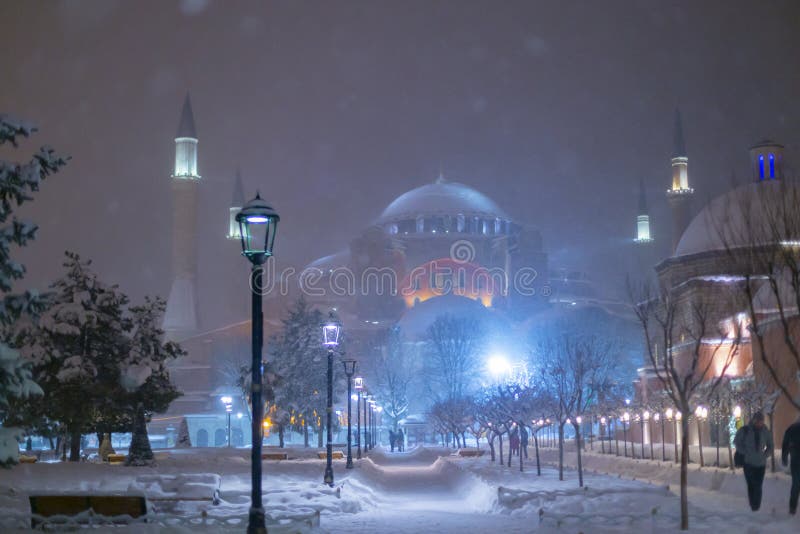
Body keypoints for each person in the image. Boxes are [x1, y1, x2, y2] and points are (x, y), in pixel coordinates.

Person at [734, 412, 774, 511]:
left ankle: (756, 506)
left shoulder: (765, 431)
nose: (760, 423)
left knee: (758, 484)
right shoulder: (745, 430)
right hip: (748, 463)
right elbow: (737, 442)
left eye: (761, 421)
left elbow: (771, 445)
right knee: (751, 484)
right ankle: (753, 505)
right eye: (758, 421)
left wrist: (765, 455)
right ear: (754, 420)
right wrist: (745, 452)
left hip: (761, 464)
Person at [781, 415, 800, 515]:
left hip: (795, 461)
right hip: (796, 461)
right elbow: (786, 444)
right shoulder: (793, 429)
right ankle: (792, 508)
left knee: (796, 485)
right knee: (796, 485)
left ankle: (792, 508)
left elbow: (785, 444)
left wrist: (784, 457)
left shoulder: (791, 428)